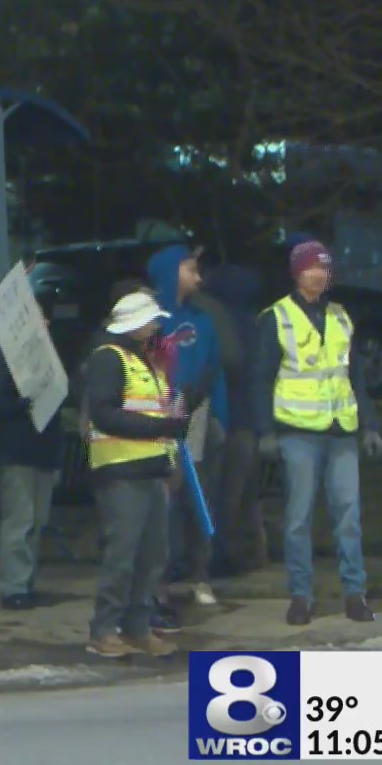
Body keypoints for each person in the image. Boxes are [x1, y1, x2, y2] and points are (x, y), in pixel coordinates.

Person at [251, 240, 382, 625]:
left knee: (349, 516)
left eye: (325, 268)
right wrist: (265, 431)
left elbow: (354, 376)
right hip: (297, 431)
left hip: (342, 429)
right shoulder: (276, 317)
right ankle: (301, 596)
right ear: (297, 273)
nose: (320, 274)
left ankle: (355, 593)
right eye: (312, 267)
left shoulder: (341, 316)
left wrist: (370, 424)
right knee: (298, 518)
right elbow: (261, 379)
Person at [82, 292, 187, 659]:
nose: (156, 326)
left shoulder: (142, 360)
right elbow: (105, 414)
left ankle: (137, 627)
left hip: (151, 468)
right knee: (123, 554)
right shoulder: (109, 359)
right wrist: (161, 427)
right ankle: (104, 629)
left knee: (151, 555)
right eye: (151, 320)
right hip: (122, 470)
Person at [147, 244, 230, 607]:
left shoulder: (203, 320)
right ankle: (160, 578)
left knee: (199, 496)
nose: (198, 277)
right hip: (159, 417)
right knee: (163, 500)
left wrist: (220, 416)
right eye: (190, 269)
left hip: (197, 415)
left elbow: (216, 370)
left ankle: (200, 574)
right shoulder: (151, 321)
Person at [0, 319, 66, 610]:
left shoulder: (42, 351)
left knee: (36, 519)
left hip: (42, 447)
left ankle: (25, 581)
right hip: (17, 448)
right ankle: (14, 586)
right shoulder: (1, 353)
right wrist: (25, 400)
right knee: (20, 519)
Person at [204, 263, 269, 573]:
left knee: (224, 493)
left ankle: (222, 554)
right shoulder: (257, 322)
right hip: (250, 420)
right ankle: (254, 552)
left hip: (229, 418)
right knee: (247, 495)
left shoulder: (216, 320)